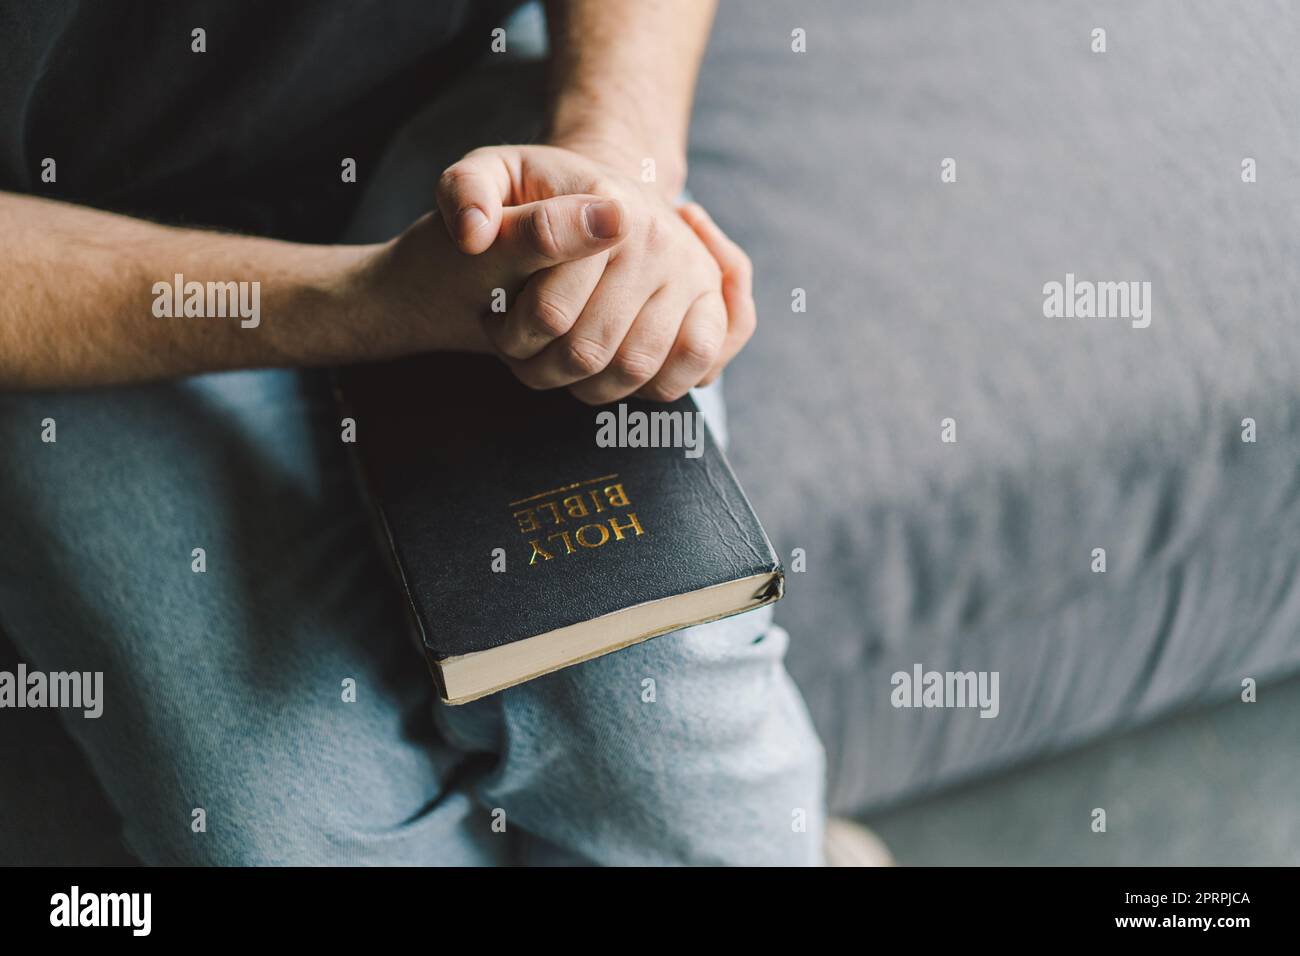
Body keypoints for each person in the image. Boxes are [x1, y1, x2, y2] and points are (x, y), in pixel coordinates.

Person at [0, 0, 828, 864]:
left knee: (652, 713)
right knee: (284, 832)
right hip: (66, 239)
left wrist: (617, 168)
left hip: (467, 106)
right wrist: (363, 306)